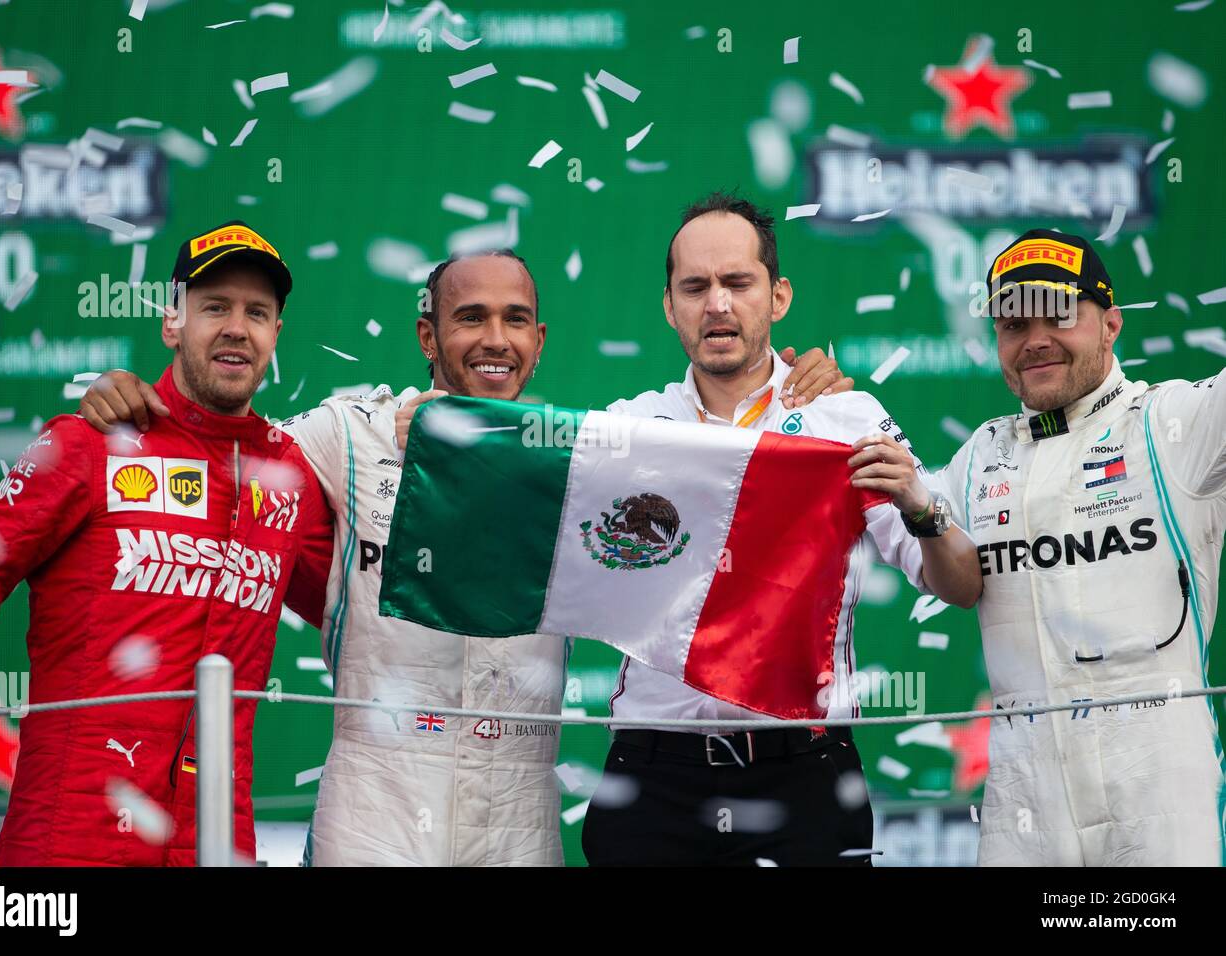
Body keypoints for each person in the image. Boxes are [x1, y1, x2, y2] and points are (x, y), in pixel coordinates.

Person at [80, 248, 851, 865]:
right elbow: (231, 449)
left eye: (516, 320)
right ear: (426, 337)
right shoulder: (352, 432)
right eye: (471, 317)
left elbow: (719, 488)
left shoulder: (581, 458)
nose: (495, 339)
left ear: (539, 342)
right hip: (375, 803)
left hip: (520, 813)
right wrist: (141, 401)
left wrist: (793, 390)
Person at [579, 191, 984, 867]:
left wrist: (921, 501)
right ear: (669, 307)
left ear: (779, 296)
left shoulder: (845, 418)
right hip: (652, 778)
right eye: (695, 286)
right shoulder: (624, 428)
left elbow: (961, 584)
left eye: (738, 282)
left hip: (804, 772)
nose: (717, 304)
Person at [0, 220, 334, 866]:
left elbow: (358, 608)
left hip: (217, 844)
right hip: (70, 846)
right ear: (172, 324)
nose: (237, 327)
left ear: (275, 336)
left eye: (257, 312)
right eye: (215, 308)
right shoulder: (90, 442)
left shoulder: (292, 478)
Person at [924, 228, 1226, 865]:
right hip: (1024, 792)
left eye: (1059, 314)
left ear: (1111, 323)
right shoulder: (980, 455)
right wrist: (811, 399)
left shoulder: (1177, 424)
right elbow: (873, 500)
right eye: (1011, 325)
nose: (1034, 340)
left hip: (1159, 781)